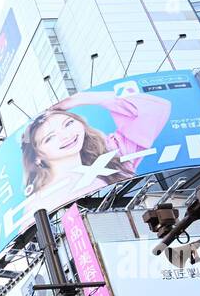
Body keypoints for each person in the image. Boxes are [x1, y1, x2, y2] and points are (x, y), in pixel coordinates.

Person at [19, 90, 171, 225]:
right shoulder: (37, 203)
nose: (66, 136)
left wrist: (80, 99)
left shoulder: (111, 155)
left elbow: (157, 108)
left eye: (68, 123)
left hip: (150, 229)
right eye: (49, 138)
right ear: (36, 157)